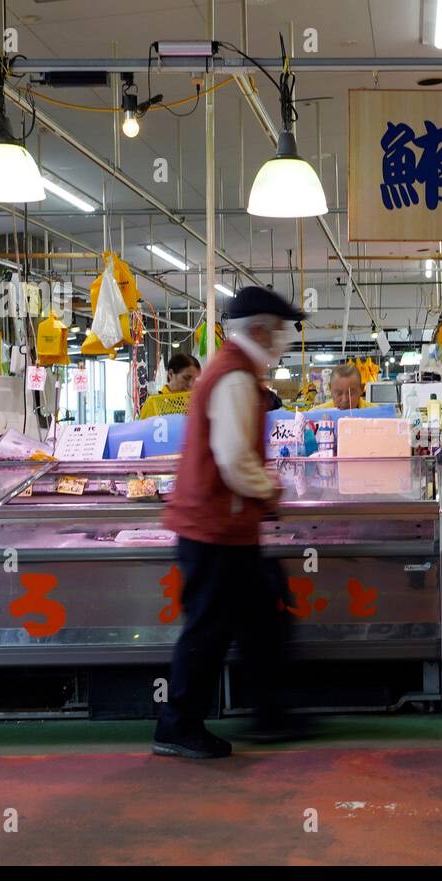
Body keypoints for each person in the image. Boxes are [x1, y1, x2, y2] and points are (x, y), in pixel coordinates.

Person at [154, 286, 308, 759]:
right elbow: (233, 459)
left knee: (265, 615)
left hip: (225, 527)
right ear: (259, 329)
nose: (283, 338)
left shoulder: (233, 369)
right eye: (280, 329)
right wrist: (269, 489)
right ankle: (178, 725)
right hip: (215, 530)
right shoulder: (236, 377)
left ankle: (269, 713)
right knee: (209, 628)